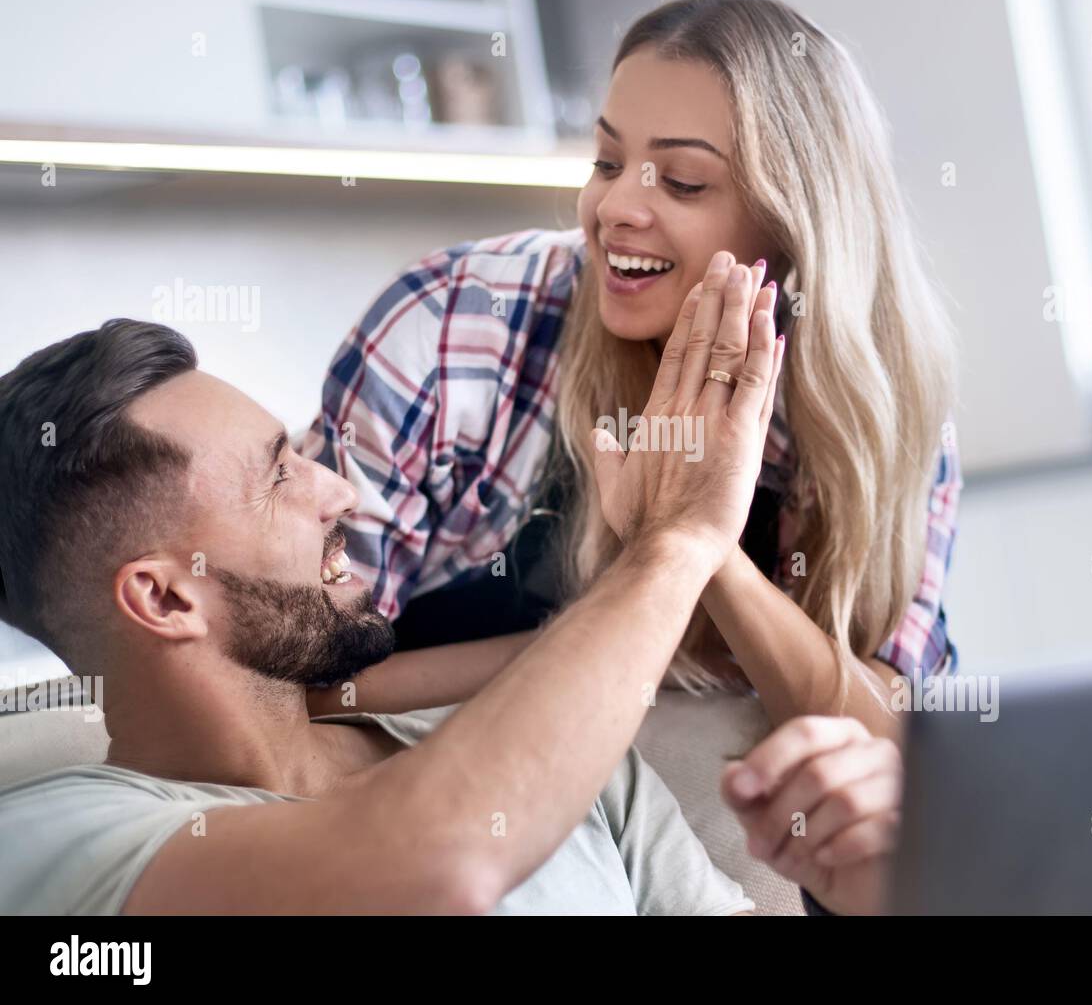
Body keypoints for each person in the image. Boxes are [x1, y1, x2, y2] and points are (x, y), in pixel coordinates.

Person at [0, 260, 899, 915]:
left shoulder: (558, 755)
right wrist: (673, 545)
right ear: (165, 599)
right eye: (280, 476)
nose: (339, 492)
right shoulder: (54, 840)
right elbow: (436, 866)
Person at [303, 0, 962, 742]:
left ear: (795, 221)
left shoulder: (885, 402)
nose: (614, 205)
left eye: (681, 181)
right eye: (606, 161)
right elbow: (311, 693)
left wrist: (696, 548)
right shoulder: (454, 325)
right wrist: (611, 636)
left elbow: (893, 731)